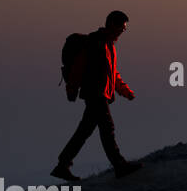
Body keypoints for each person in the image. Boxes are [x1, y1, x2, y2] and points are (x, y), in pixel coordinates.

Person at [52, 11, 144, 181]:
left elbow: (112, 74)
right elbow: (79, 67)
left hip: (100, 94)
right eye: (121, 28)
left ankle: (62, 165)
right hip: (95, 94)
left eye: (124, 29)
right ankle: (119, 165)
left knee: (85, 130)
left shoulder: (109, 46)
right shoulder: (95, 43)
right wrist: (71, 90)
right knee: (107, 128)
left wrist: (125, 91)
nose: (122, 32)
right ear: (112, 25)